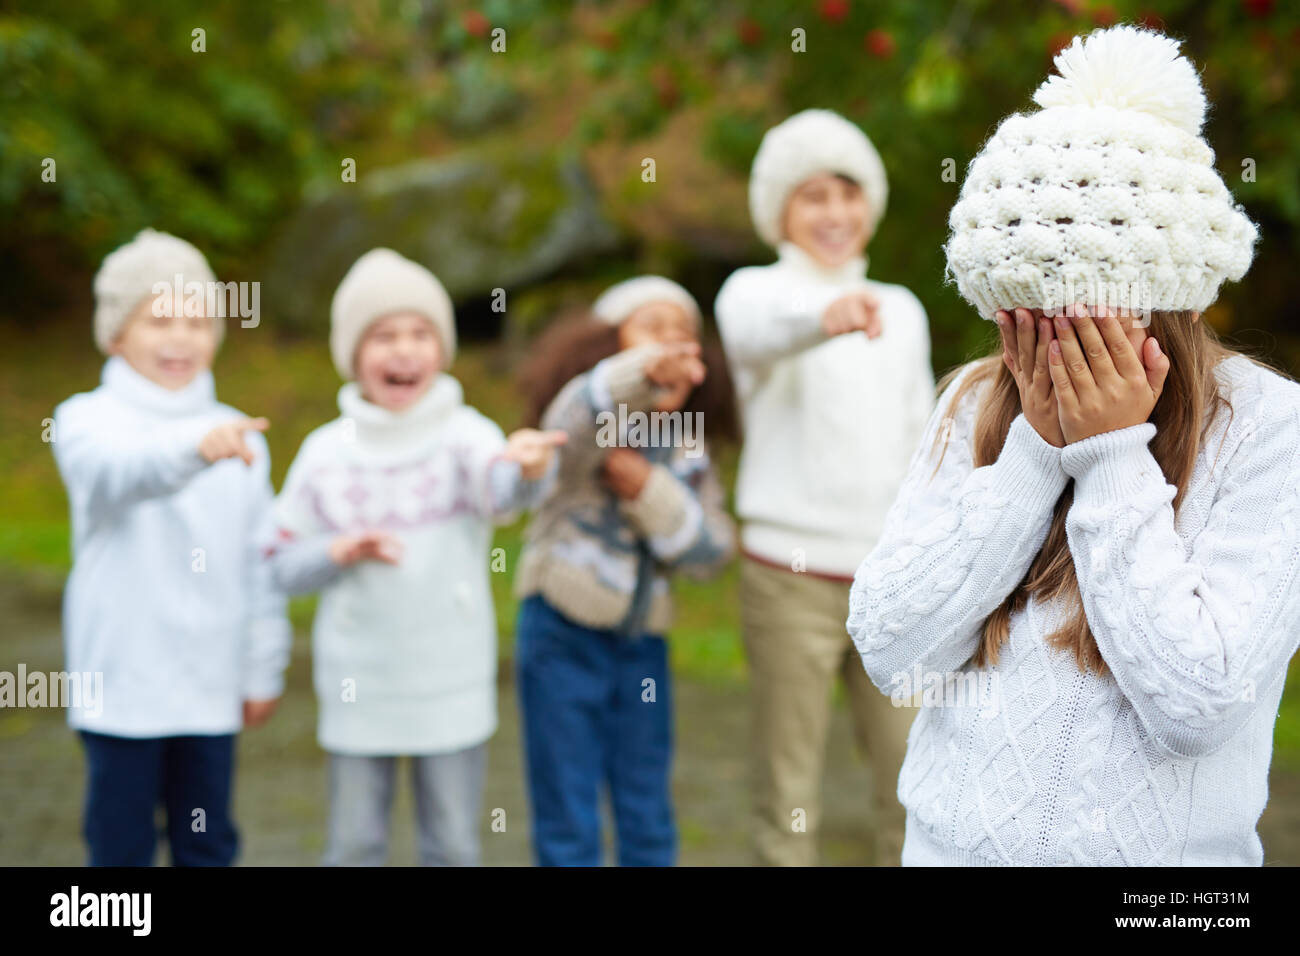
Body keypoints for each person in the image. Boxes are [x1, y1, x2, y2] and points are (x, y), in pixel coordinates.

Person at [849, 25, 1298, 865]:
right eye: (1023, 320)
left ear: (1172, 302)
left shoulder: (1273, 427)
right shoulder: (976, 401)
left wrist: (1112, 457)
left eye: (1082, 320)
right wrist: (1029, 456)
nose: (1047, 357)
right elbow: (892, 653)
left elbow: (1198, 701)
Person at [265, 248, 563, 866]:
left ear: (442, 349)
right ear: (353, 355)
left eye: (420, 334)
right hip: (358, 685)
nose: (404, 351)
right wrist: (335, 551)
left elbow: (503, 492)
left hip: (448, 680)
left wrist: (531, 469)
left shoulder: (465, 434)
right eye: (384, 336)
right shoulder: (326, 453)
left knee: (452, 844)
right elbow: (279, 563)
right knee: (353, 844)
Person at [714, 109, 935, 865]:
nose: (835, 213)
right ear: (780, 210)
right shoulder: (753, 293)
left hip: (892, 581)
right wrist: (826, 316)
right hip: (790, 578)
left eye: (848, 193)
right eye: (813, 196)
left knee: (915, 782)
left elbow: (921, 441)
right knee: (791, 791)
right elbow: (759, 334)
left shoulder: (902, 312)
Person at [51, 228, 291, 866]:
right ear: (116, 334)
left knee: (207, 844)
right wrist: (193, 448)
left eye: (197, 320)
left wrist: (262, 665)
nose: (181, 337)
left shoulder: (243, 436)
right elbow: (119, 472)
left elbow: (258, 562)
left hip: (210, 688)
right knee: (120, 850)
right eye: (159, 320)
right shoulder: (85, 420)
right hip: (122, 691)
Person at [513, 276, 737, 866]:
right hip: (560, 632)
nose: (670, 343)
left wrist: (651, 492)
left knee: (646, 805)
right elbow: (578, 414)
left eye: (683, 334)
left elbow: (713, 551)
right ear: (608, 346)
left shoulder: (687, 448)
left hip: (642, 647)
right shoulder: (582, 422)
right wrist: (639, 375)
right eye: (651, 329)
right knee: (567, 807)